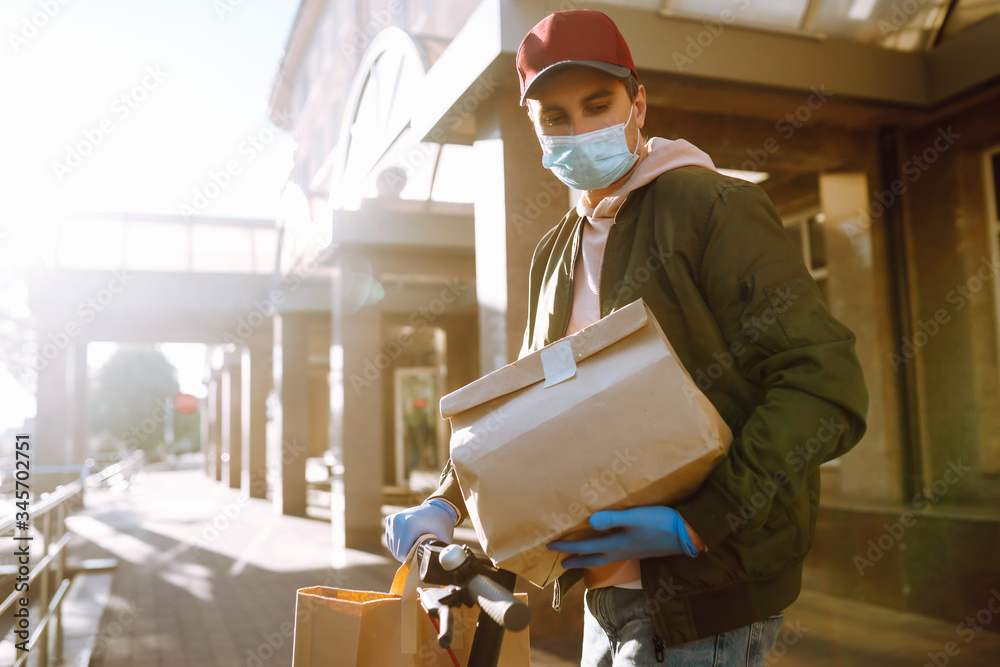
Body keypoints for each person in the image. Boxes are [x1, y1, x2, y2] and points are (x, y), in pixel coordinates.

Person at [385, 9, 869, 666]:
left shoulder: (713, 210)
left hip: (707, 597)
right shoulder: (555, 254)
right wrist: (446, 498)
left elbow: (824, 385)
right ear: (534, 130)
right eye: (554, 118)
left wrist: (698, 519)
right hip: (605, 595)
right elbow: (534, 405)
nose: (578, 130)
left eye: (596, 104)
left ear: (638, 103)